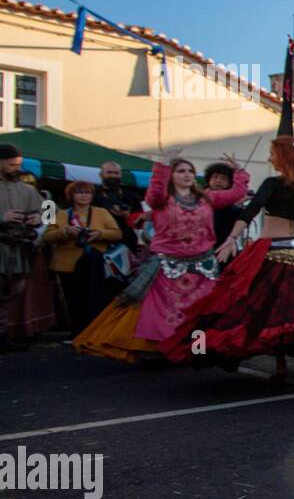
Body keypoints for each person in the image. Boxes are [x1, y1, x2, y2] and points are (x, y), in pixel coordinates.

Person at [162, 131, 294, 381]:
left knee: (255, 308)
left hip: (274, 253)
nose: (270, 158)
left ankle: (278, 365)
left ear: (283, 158)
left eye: (273, 154)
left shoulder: (273, 184)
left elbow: (250, 211)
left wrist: (231, 239)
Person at [75, 153, 249, 363]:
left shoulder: (206, 198)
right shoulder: (162, 200)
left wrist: (238, 171)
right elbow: (154, 193)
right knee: (167, 311)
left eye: (190, 171)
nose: (187, 175)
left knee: (201, 312)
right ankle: (162, 350)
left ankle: (196, 350)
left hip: (202, 265)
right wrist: (163, 166)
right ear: (171, 176)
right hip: (169, 265)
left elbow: (237, 192)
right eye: (181, 171)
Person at [42, 181, 123, 335]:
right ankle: (76, 332)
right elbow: (46, 237)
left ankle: (93, 333)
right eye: (79, 192)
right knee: (73, 299)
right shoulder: (61, 214)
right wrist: (65, 232)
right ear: (71, 196)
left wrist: (99, 234)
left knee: (95, 298)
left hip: (94, 263)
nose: (84, 195)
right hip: (67, 263)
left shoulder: (102, 212)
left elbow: (117, 233)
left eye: (88, 192)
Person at [0, 143, 45, 353]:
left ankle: (2, 336)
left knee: (10, 292)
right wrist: (2, 218)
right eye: (11, 164)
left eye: (18, 164)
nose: (16, 168)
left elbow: (51, 209)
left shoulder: (26, 188)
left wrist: (40, 217)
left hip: (15, 249)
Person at [94, 161, 143, 250]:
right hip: (99, 240)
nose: (113, 176)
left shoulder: (131, 196)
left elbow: (141, 223)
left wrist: (128, 216)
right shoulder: (92, 195)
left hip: (126, 241)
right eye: (109, 172)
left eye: (116, 173)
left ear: (121, 175)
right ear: (100, 174)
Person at [204, 161, 245, 257]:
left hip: (223, 247)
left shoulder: (234, 205)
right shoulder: (198, 197)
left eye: (223, 178)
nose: (218, 180)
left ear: (229, 183)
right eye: (215, 177)